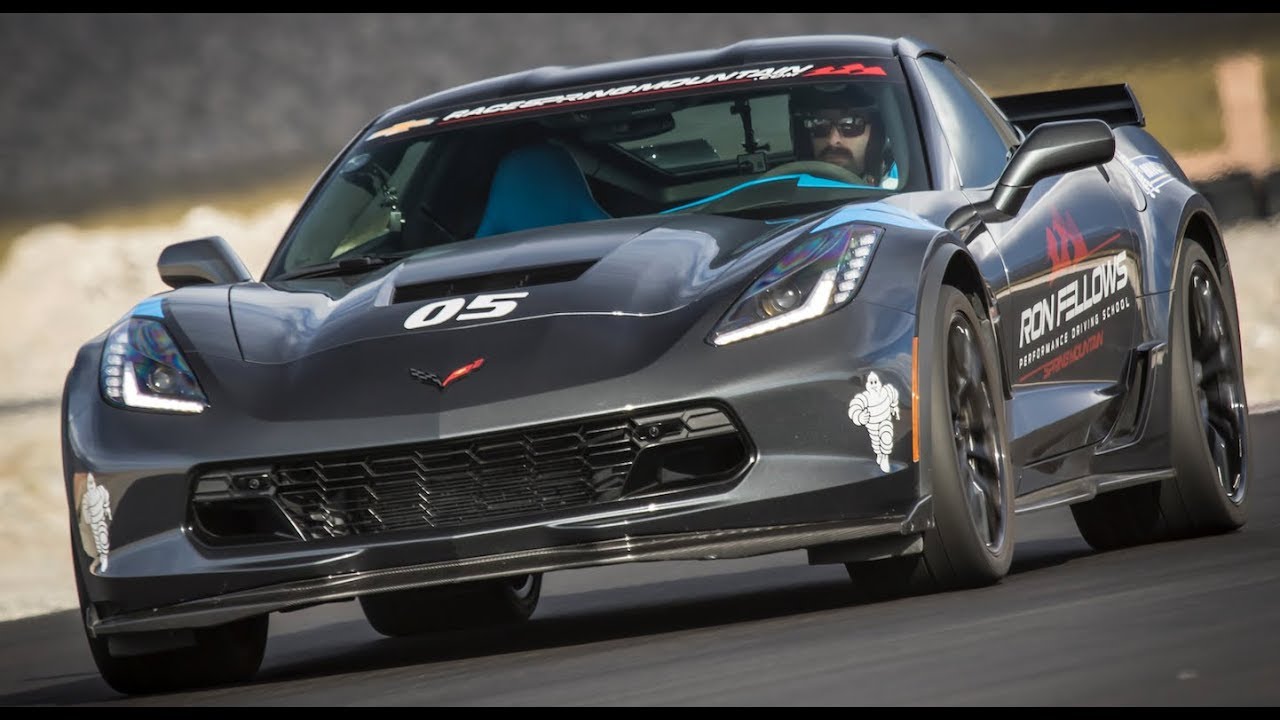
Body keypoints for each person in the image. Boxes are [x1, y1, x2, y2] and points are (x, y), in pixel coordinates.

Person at [789, 83, 897, 189]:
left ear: (875, 135)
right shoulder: (787, 192)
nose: (833, 140)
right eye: (819, 125)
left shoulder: (898, 188)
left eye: (850, 125)